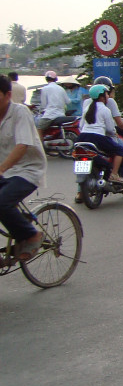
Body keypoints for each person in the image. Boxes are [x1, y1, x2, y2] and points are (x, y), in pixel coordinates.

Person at [0, 74, 46, 259]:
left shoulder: (20, 112)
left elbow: (22, 146)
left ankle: (32, 235)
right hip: (6, 171)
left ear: (8, 95)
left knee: (2, 203)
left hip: (28, 170)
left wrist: (2, 168)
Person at [78, 84, 123, 194]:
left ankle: (80, 191)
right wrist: (115, 134)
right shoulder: (105, 109)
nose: (108, 95)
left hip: (82, 137)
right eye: (107, 93)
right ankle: (114, 174)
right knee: (119, 150)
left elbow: (81, 126)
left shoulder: (87, 108)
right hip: (98, 137)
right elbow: (110, 129)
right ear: (102, 96)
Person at [35, 70, 70, 139]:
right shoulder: (61, 88)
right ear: (56, 79)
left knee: (39, 128)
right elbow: (68, 101)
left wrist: (41, 110)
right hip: (61, 114)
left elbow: (43, 104)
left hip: (50, 115)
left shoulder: (45, 89)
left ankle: (41, 147)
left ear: (46, 79)